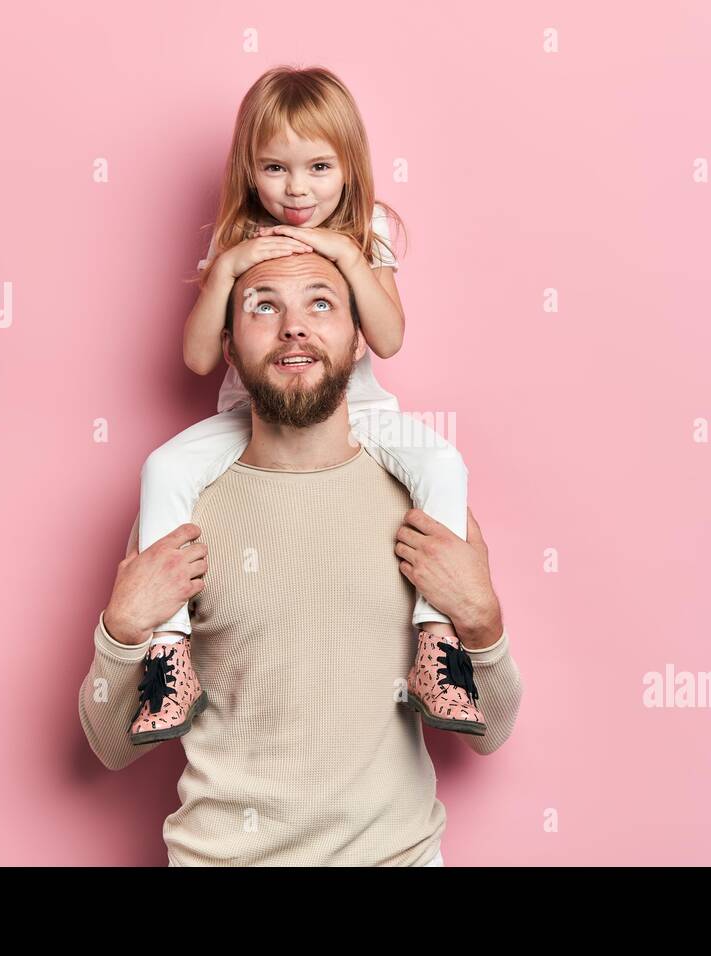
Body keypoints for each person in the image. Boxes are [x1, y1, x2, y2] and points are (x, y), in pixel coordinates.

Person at [77, 251, 524, 866]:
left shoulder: (425, 506)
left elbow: (492, 729)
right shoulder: (181, 511)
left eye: (321, 303)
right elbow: (109, 745)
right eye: (265, 306)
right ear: (229, 347)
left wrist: (482, 620)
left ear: (359, 339)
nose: (294, 326)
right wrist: (121, 630)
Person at [131, 65, 476, 743]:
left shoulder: (364, 227)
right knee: (162, 470)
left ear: (349, 168)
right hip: (249, 415)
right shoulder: (235, 235)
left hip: (357, 412)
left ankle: (438, 644)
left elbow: (389, 336)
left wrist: (345, 257)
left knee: (443, 462)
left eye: (318, 167)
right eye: (275, 168)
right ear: (248, 170)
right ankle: (166, 656)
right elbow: (201, 358)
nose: (297, 189)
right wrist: (227, 268)